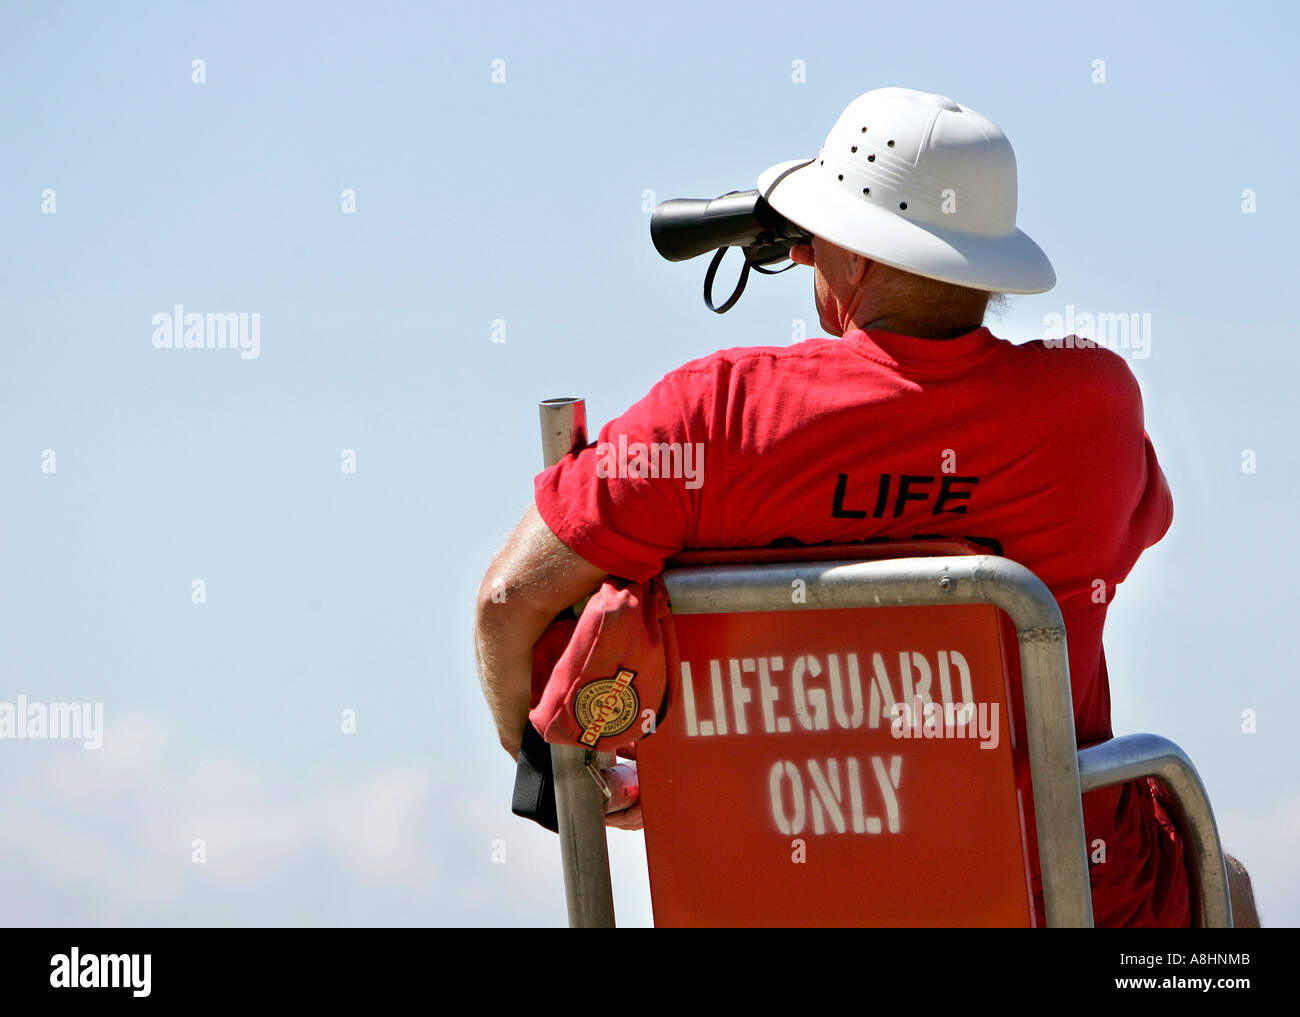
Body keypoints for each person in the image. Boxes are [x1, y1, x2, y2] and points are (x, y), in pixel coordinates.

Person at [474, 87, 1260, 927]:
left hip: (778, 902)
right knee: (1229, 880)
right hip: (1061, 901)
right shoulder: (1091, 410)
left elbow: (506, 603)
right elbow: (1135, 512)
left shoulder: (712, 418)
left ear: (854, 256)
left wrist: (576, 776)